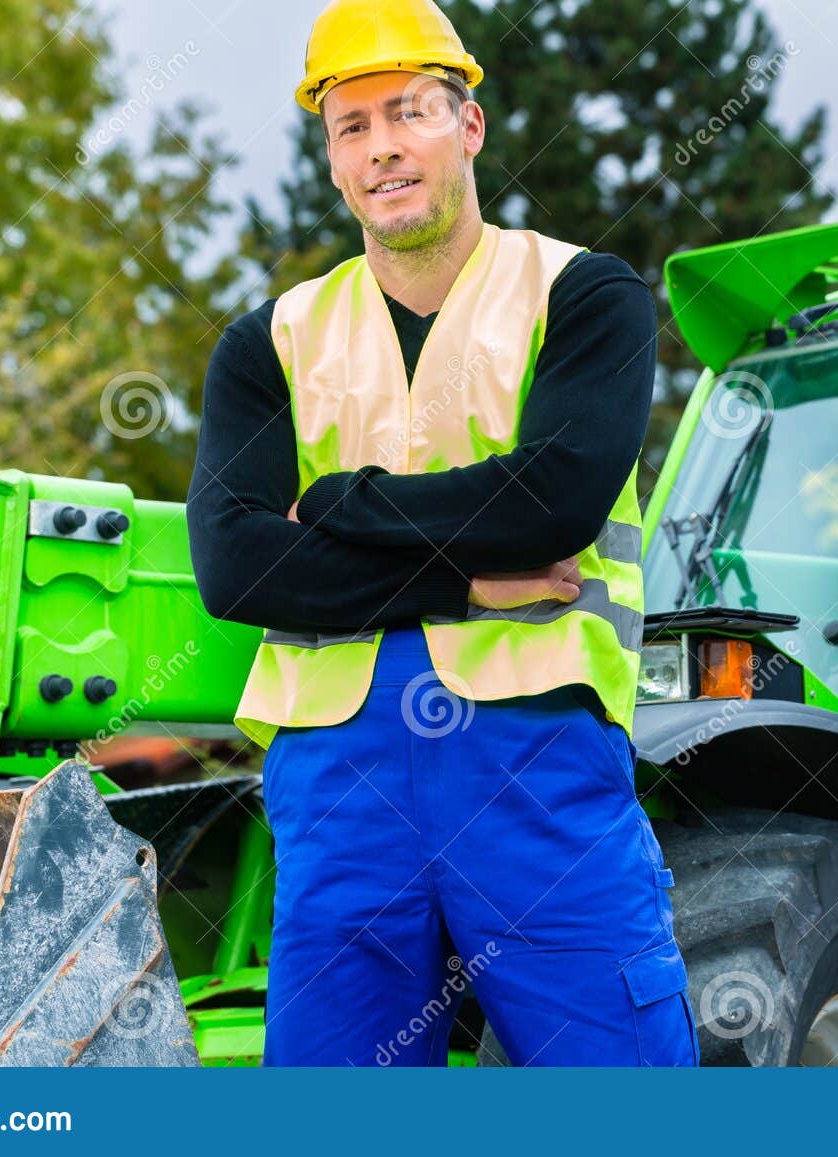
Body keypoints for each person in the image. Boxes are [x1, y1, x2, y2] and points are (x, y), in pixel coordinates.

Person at [185, 0, 698, 1068]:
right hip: (338, 783)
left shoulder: (582, 294)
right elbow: (235, 567)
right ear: (333, 160)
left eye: (408, 113)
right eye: (352, 125)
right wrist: (463, 584)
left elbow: (552, 502)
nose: (382, 147)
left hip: (536, 762)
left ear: (468, 126)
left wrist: (337, 502)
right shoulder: (269, 341)